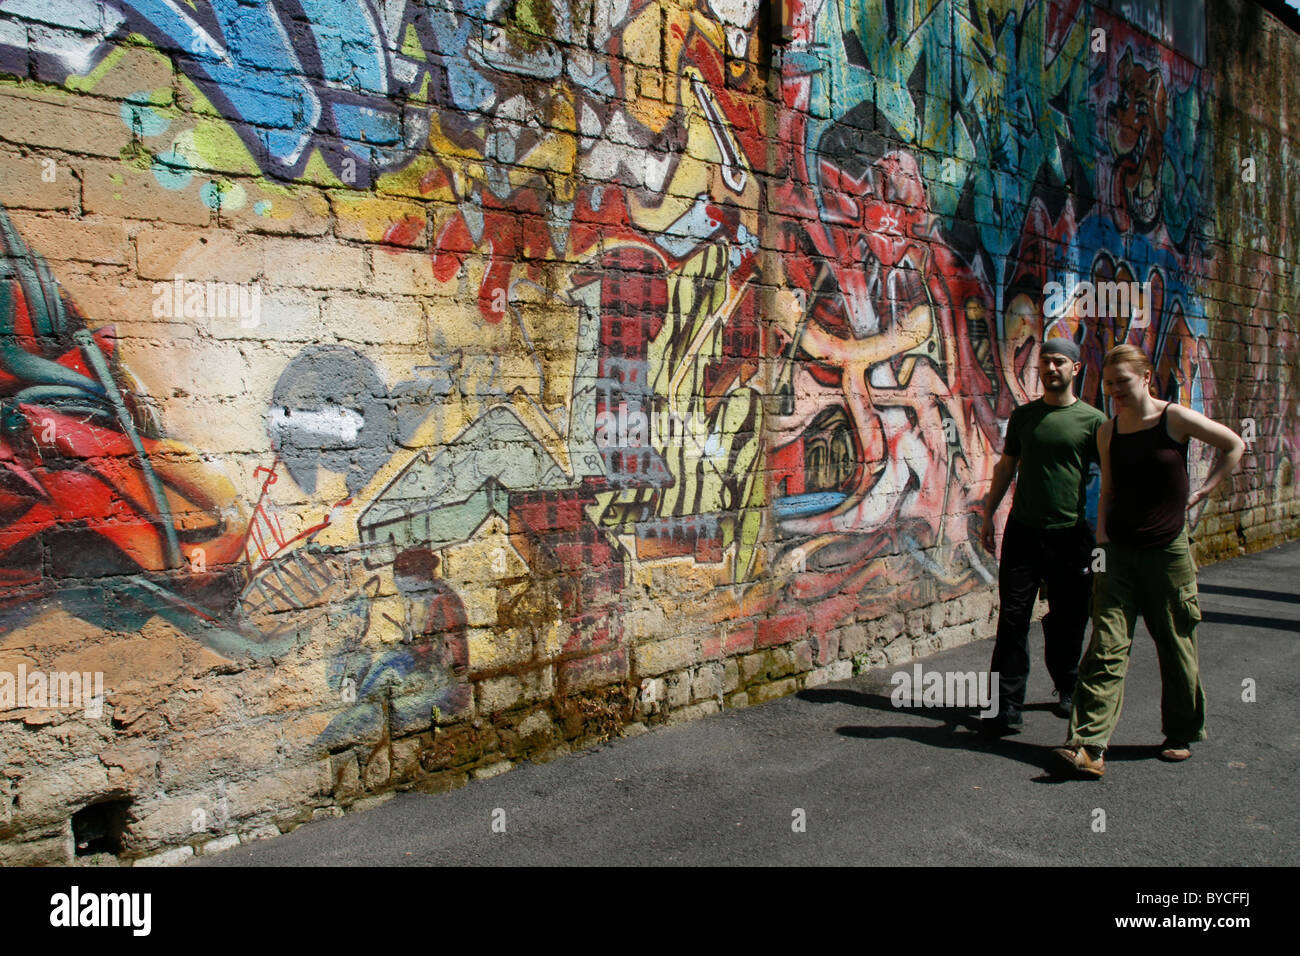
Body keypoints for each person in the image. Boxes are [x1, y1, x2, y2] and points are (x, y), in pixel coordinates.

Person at [1054, 344, 1244, 778]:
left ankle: (1180, 731)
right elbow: (1108, 492)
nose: (1116, 390)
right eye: (1109, 384)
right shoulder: (1108, 431)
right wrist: (1101, 541)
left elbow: (1233, 444)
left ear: (1145, 378)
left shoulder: (1172, 419)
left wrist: (1203, 491)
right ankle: (1088, 745)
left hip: (1168, 552)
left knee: (1176, 643)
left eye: (1123, 381)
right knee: (1106, 645)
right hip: (1117, 554)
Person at [979, 337, 1106, 735]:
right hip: (1023, 532)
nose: (1051, 369)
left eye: (1059, 363)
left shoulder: (1093, 421)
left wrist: (1105, 531)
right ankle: (1006, 706)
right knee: (1013, 619)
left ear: (1075, 368)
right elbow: (1006, 468)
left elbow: (1112, 479)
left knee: (1069, 618)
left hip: (1071, 535)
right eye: (1046, 362)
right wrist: (987, 515)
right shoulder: (1025, 417)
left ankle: (1068, 686)